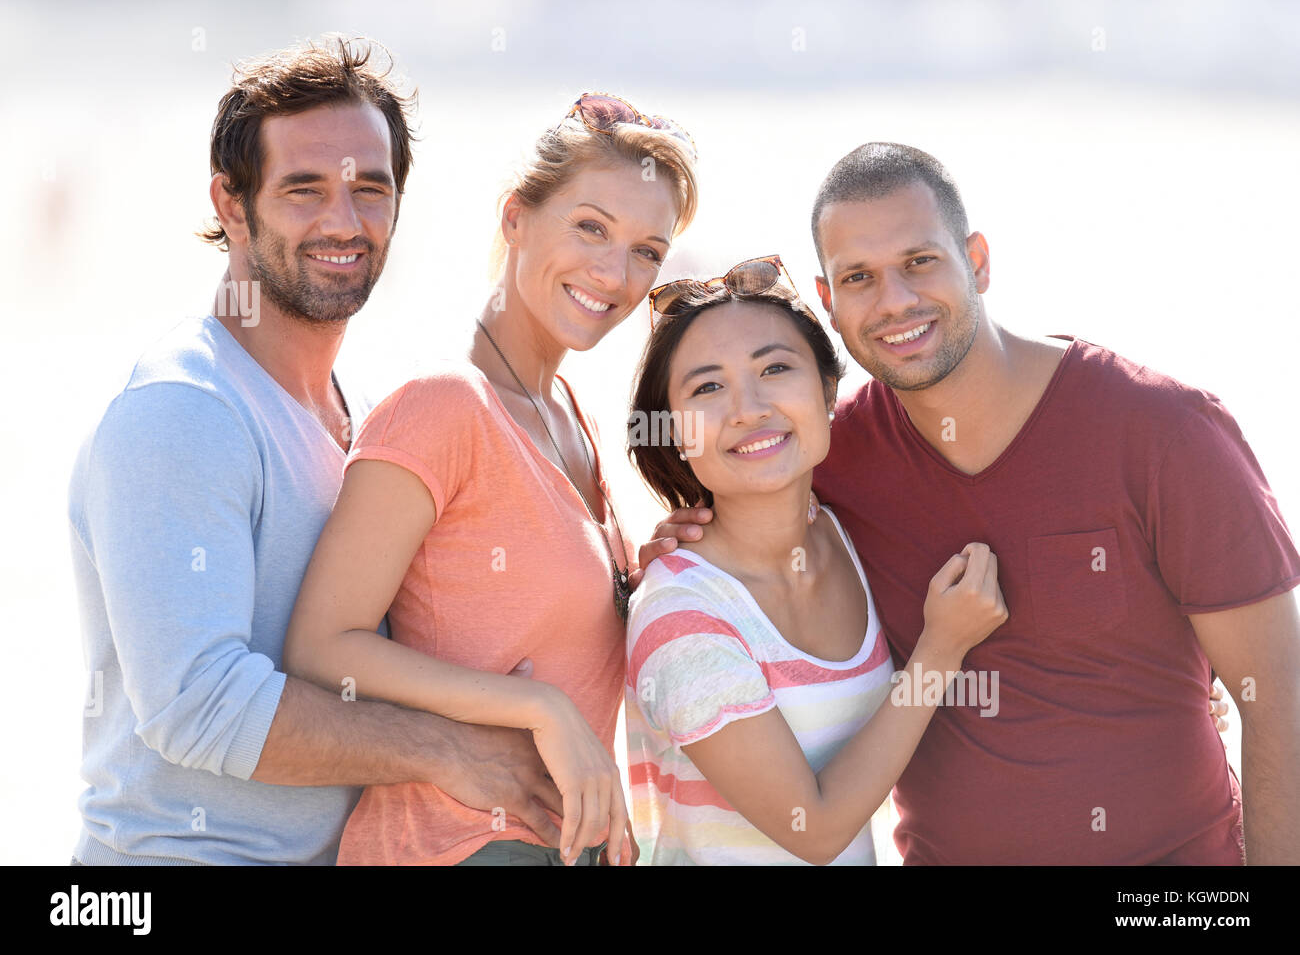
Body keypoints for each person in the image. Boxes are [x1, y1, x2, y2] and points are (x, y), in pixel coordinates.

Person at [642, 143, 1299, 864]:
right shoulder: (836, 457)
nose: (894, 301)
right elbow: (746, 537)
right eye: (859, 277)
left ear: (977, 261)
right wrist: (676, 544)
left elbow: (1279, 699)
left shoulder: (1164, 431)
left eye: (919, 262)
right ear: (829, 303)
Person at [66, 36, 564, 866]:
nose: (345, 220)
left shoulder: (360, 411)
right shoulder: (184, 411)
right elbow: (198, 705)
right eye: (304, 189)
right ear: (231, 202)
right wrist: (449, 751)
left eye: (371, 188)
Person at [281, 93, 699, 866]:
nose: (615, 272)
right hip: (453, 845)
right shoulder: (443, 404)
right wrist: (539, 709)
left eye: (648, 250)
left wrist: (660, 569)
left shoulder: (572, 415)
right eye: (591, 227)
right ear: (516, 218)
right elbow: (319, 646)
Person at [622, 263, 1008, 864]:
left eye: (775, 369)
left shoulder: (851, 531)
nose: (748, 409)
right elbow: (817, 830)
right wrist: (940, 653)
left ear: (829, 392)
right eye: (707, 388)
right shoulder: (680, 615)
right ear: (672, 432)